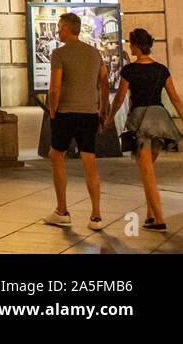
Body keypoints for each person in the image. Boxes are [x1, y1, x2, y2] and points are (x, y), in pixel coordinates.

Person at [107, 27, 183, 232]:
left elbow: (120, 98)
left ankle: (159, 218)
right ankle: (150, 215)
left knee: (147, 171)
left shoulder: (129, 71)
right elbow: (175, 99)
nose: (129, 47)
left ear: (136, 45)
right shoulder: (161, 69)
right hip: (161, 120)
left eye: (130, 43)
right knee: (146, 168)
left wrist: (109, 119)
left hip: (141, 120)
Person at [44, 12, 109, 231]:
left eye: (60, 27)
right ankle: (96, 216)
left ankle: (62, 210)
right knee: (90, 162)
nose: (58, 30)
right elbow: (104, 82)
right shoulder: (93, 53)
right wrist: (103, 110)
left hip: (66, 112)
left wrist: (53, 113)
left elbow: (54, 88)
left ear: (69, 28)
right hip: (89, 113)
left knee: (56, 156)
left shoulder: (58, 54)